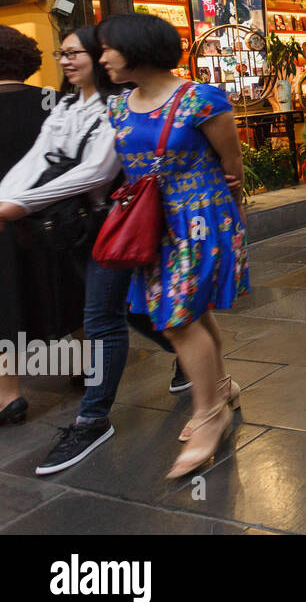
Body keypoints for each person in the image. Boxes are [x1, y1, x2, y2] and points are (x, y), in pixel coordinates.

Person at [0, 27, 183, 472]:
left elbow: (96, 172)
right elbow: (38, 158)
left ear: (100, 57)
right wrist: (7, 193)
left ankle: (93, 418)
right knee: (128, 311)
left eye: (74, 53)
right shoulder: (62, 105)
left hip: (111, 224)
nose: (65, 61)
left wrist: (20, 203)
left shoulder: (114, 105)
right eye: (60, 53)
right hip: (75, 229)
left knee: (102, 319)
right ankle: (193, 355)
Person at [97, 13, 248, 479]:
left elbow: (232, 163)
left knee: (177, 317)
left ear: (138, 49)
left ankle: (209, 414)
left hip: (201, 217)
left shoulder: (201, 98)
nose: (103, 56)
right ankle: (220, 387)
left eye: (109, 47)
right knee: (192, 312)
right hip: (151, 224)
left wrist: (228, 216)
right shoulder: (119, 106)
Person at [0, 26, 54, 427]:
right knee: (68, 286)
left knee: (6, 299)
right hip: (55, 218)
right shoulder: (55, 103)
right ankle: (88, 367)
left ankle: (8, 395)